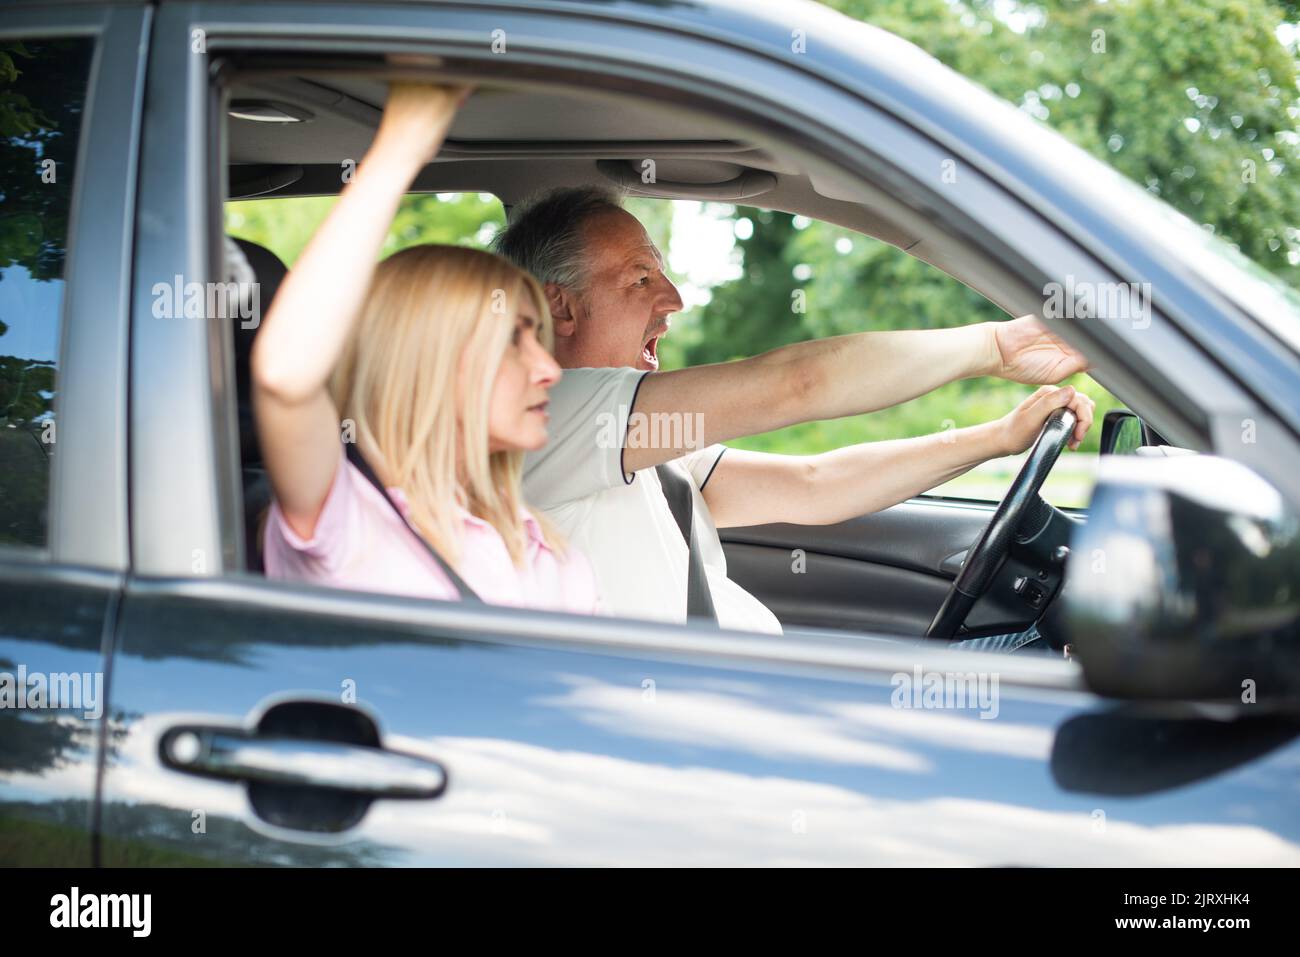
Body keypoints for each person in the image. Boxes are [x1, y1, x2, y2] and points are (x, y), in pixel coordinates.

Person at [496, 186, 1095, 640]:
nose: (673, 299)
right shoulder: (548, 414)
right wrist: (993, 348)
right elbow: (794, 385)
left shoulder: (637, 439)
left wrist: (997, 436)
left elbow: (814, 487)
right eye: (640, 278)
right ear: (562, 308)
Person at [251, 85, 598, 615]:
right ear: (423, 358)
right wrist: (405, 138)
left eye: (539, 338)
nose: (550, 367)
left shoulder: (550, 553)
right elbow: (284, 372)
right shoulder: (348, 520)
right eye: (512, 339)